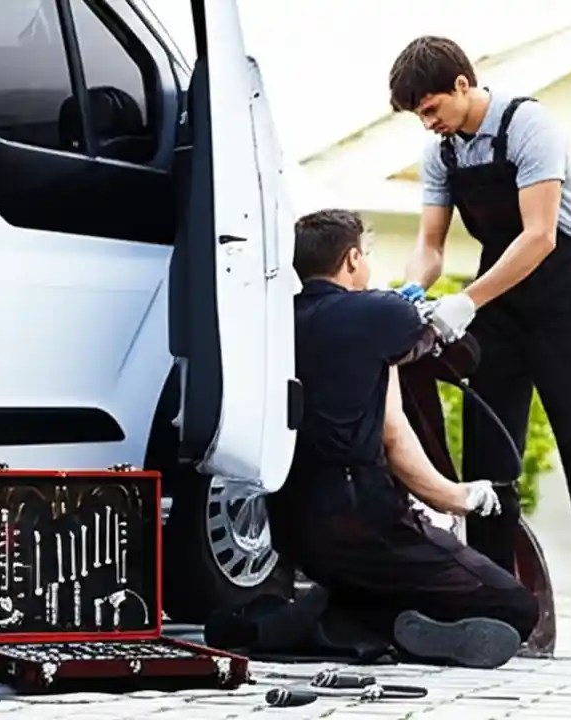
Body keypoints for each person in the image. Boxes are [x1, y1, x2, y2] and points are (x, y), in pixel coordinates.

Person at [386, 35, 571, 660]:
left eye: (431, 108)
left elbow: (537, 237)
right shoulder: (443, 154)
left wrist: (467, 302)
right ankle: (498, 611)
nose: (428, 124)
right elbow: (431, 244)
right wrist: (407, 292)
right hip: (499, 308)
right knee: (488, 460)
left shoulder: (529, 124)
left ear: (461, 85)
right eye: (419, 116)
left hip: (567, 302)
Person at [205, 208, 538, 669]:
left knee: (364, 585)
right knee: (515, 607)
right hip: (366, 520)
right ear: (353, 259)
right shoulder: (379, 313)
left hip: (291, 523)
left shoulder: (274, 320)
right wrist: (460, 498)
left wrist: (451, 498)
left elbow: (390, 421)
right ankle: (367, 629)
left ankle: (264, 626)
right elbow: (400, 425)